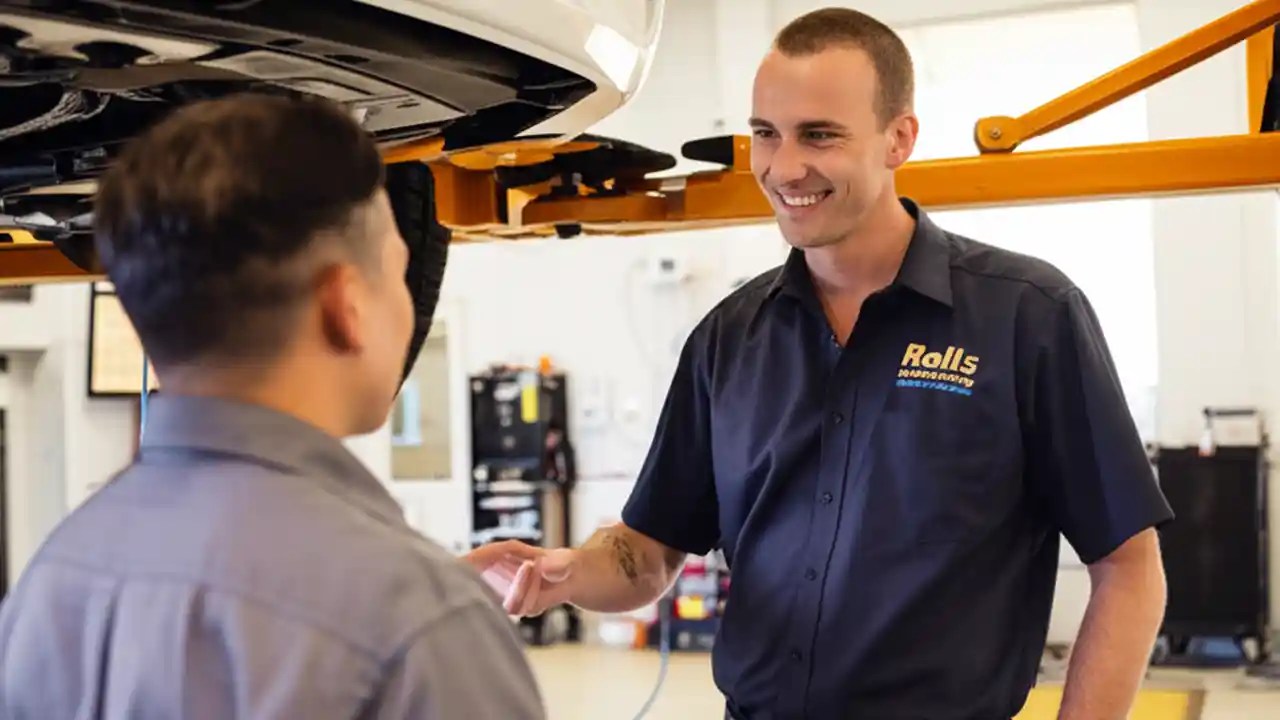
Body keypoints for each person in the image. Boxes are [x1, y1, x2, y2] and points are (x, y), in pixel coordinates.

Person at [468, 7, 1174, 720]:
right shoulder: (727, 339)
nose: (783, 168)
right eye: (765, 134)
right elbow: (648, 554)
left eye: (819, 135)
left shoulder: (1026, 316)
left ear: (899, 138)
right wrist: (566, 573)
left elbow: (1128, 568)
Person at [0, 94, 544, 719]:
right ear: (347, 305)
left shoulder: (52, 578)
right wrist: (421, 606)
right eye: (397, 272)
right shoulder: (421, 630)